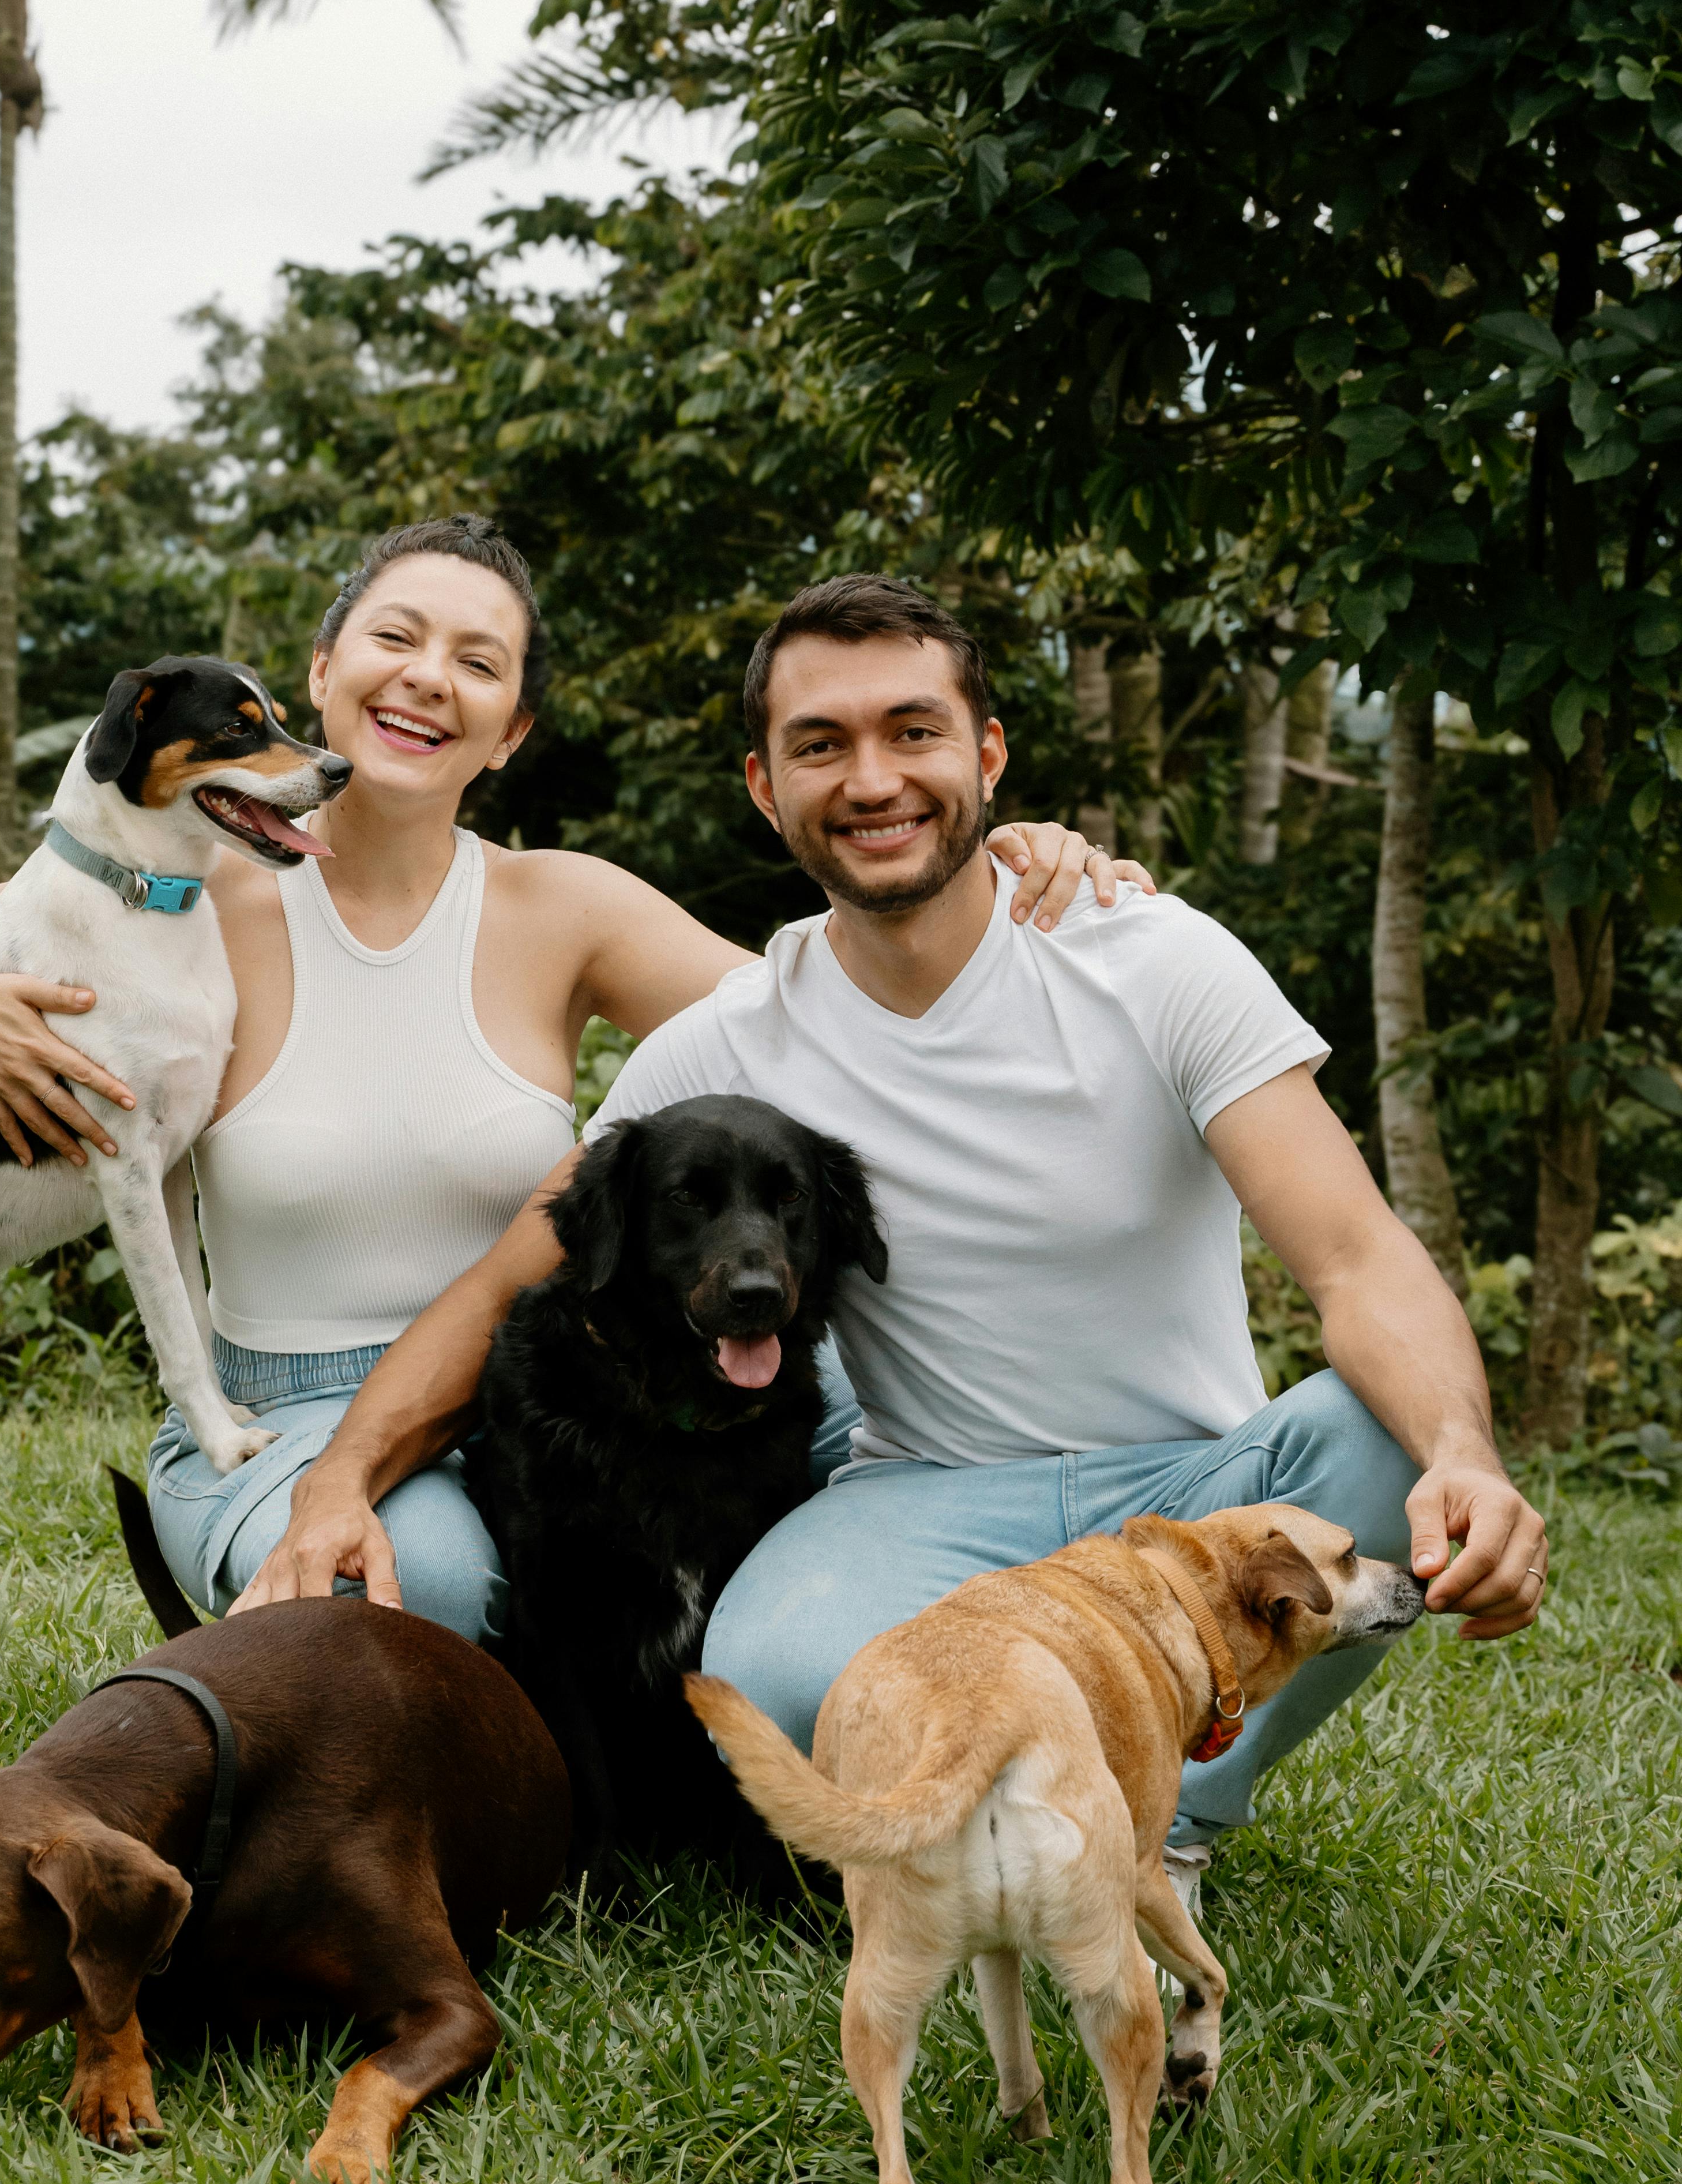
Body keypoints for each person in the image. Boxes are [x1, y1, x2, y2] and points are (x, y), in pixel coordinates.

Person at [241, 571, 1548, 1898]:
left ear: (984, 755)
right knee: (767, 1685)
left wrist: (1463, 1454)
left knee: (1383, 1434)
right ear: (765, 786)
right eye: (821, 746)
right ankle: (1024, 1794)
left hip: (1186, 1490)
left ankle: (1171, 1817)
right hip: (926, 1496)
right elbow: (506, 1282)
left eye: (911, 732)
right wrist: (341, 1478)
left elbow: (1355, 1257)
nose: (872, 779)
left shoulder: (1153, 959)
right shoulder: (734, 1042)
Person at [0, 521, 1127, 1642]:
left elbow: (842, 1004)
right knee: (440, 1598)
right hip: (294, 1414)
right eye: (395, 637)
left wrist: (1003, 857)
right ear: (321, 674)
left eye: (476, 662)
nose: (427, 676)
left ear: (510, 731)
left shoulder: (559, 904)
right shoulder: (192, 895)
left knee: (867, 1437)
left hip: (557, 1388)